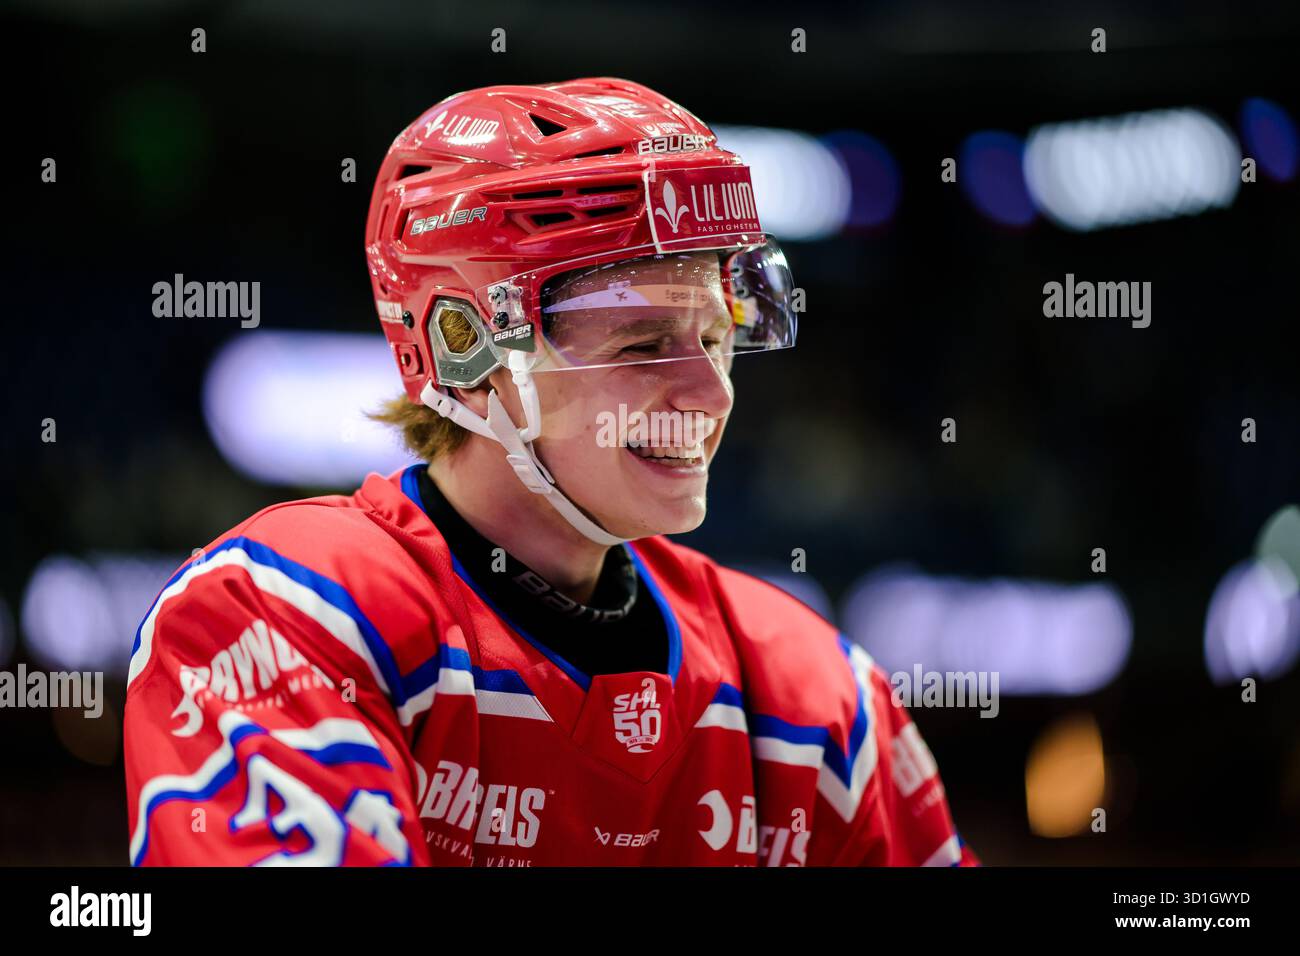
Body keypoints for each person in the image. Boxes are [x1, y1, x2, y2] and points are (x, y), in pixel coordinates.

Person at [123, 77, 978, 866]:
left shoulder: (815, 694)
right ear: (468, 351)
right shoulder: (277, 614)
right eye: (644, 343)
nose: (709, 392)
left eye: (717, 338)